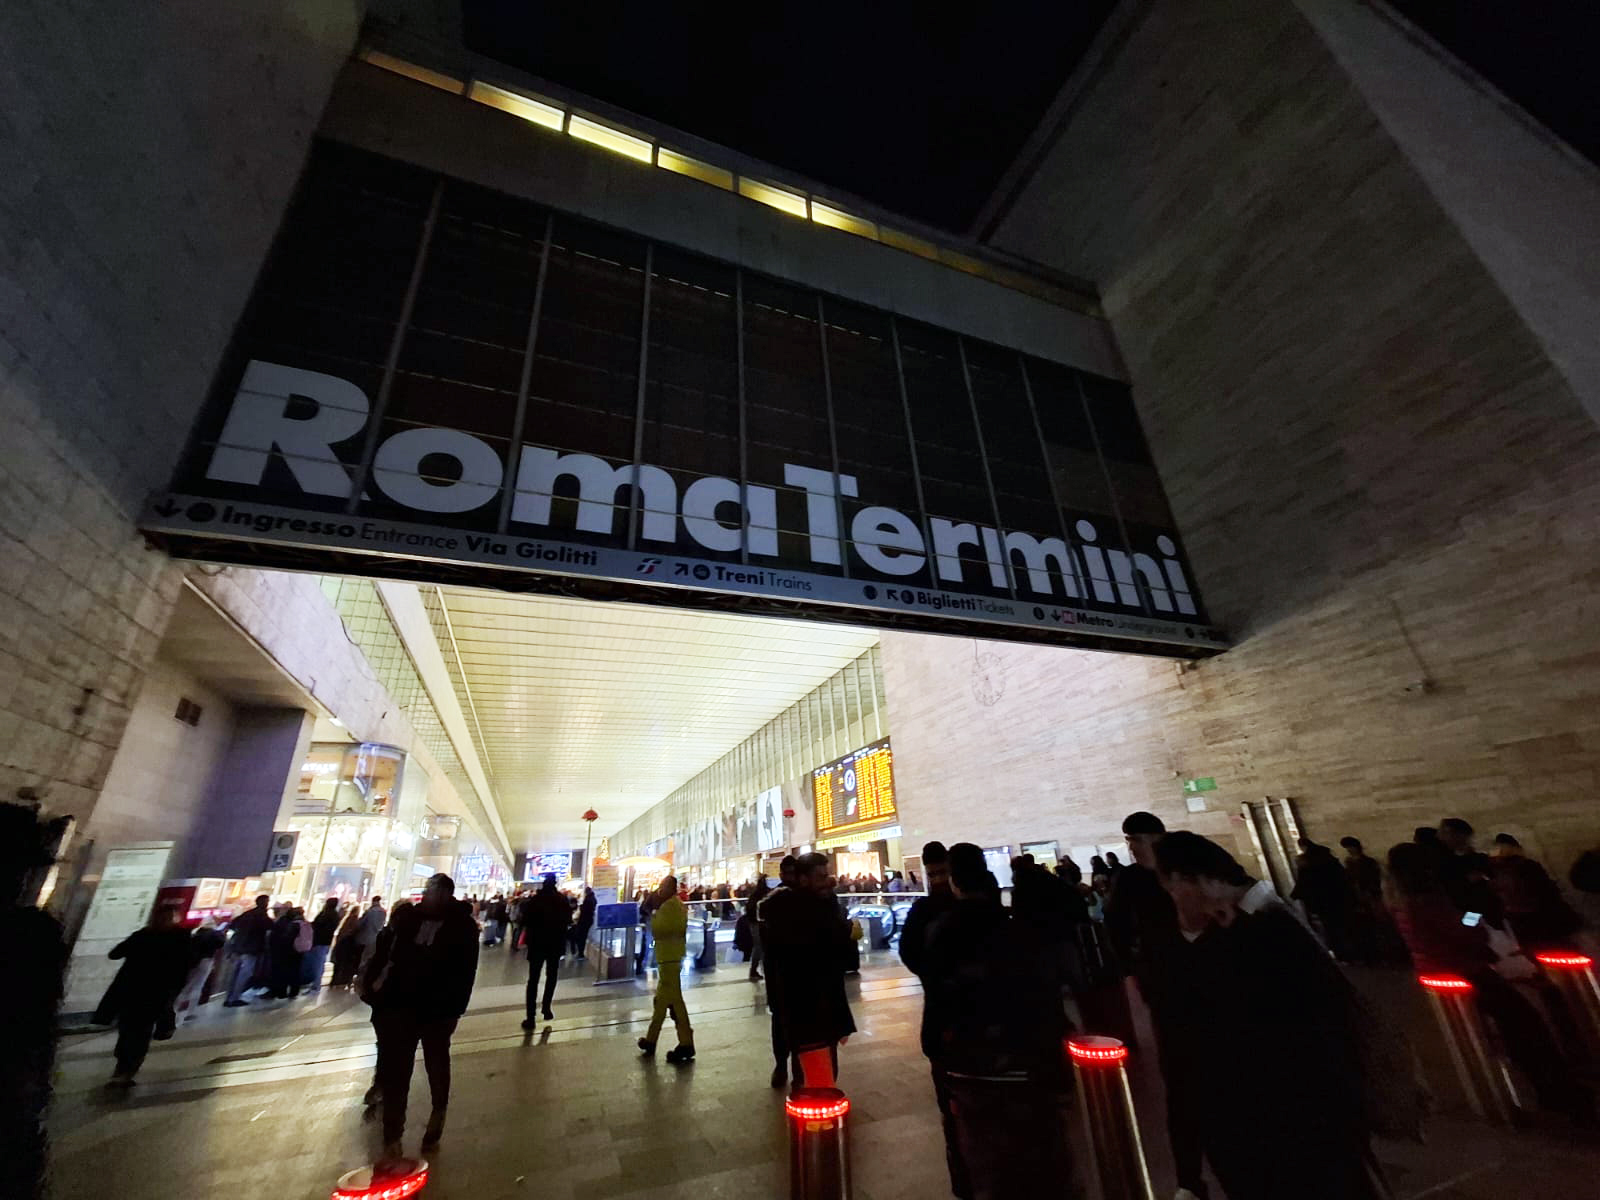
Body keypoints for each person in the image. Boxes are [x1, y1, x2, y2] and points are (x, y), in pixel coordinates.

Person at [1152, 832, 1387, 1199]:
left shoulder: (1260, 930)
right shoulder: (1175, 946)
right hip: (1250, 1118)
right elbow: (1179, 1055)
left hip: (1293, 1112)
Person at [1388, 841, 1591, 1123]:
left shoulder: (1398, 896)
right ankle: (1556, 1090)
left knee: (1510, 1027)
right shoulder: (1427, 897)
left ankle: (1527, 1092)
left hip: (1437, 968)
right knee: (1526, 1024)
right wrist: (1475, 916)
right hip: (1466, 968)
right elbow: (1461, 929)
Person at [924, 842, 1073, 1199]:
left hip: (967, 1060)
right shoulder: (1014, 927)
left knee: (983, 1159)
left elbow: (937, 992)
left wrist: (935, 1046)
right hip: (1023, 1058)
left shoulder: (942, 930)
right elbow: (1042, 991)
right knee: (1039, 1157)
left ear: (955, 882)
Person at [1102, 811, 1206, 1199]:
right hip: (1165, 981)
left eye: (1137, 841)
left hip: (1197, 975)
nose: (1131, 848)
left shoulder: (1178, 869)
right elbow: (1115, 924)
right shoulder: (1130, 879)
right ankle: (1189, 1179)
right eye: (1128, 842)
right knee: (1179, 1079)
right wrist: (1131, 965)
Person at [361, 875, 479, 1160]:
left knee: (435, 1061)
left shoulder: (461, 927)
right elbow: (392, 956)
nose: (426, 895)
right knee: (398, 1070)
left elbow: (465, 973)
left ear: (444, 893)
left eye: (430, 890)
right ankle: (393, 1135)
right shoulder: (410, 920)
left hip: (439, 1009)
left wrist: (455, 1007)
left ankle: (438, 1111)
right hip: (402, 1006)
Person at [898, 841, 968, 1199]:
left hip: (951, 1020)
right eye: (933, 874)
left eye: (942, 873)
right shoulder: (926, 910)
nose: (937, 879)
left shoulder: (941, 910)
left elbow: (910, 952)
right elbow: (909, 953)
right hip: (944, 1018)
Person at [761, 852, 855, 1090]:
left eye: (827, 875)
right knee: (815, 1074)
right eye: (821, 877)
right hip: (804, 1004)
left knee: (823, 1069)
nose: (828, 882)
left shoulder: (826, 904)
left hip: (826, 1002)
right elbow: (811, 947)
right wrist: (845, 931)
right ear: (803, 879)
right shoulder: (791, 910)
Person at [98, 906, 191, 1086]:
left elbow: (115, 954)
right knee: (140, 1031)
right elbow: (184, 967)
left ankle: (123, 1067)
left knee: (129, 1030)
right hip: (155, 992)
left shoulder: (143, 935)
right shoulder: (179, 938)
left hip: (133, 990)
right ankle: (127, 1069)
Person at [637, 875, 695, 1063]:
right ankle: (652, 1039)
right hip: (669, 957)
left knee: (674, 1001)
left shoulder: (670, 906)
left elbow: (659, 928)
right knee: (662, 1002)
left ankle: (685, 1042)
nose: (660, 890)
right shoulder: (674, 905)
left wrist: (654, 914)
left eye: (662, 886)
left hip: (669, 957)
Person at [1489, 834, 1582, 952]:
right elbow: (1547, 890)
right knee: (1561, 947)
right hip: (1544, 916)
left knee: (1535, 949)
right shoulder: (1529, 866)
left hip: (1521, 919)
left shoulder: (1496, 871)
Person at [757, 854, 800, 1087]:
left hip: (784, 971)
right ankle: (784, 1066)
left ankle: (790, 1068)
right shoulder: (777, 899)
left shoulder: (775, 900)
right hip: (781, 971)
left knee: (785, 1021)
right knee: (783, 1021)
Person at [1291, 838, 1355, 959]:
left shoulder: (1306, 861)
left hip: (1321, 901)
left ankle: (1341, 953)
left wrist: (1295, 894)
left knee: (1329, 927)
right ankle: (1352, 952)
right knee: (1343, 925)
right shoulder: (1327, 856)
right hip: (1337, 897)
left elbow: (1304, 881)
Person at [520, 874, 570, 1028]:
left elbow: (526, 920)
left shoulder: (535, 900)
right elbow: (568, 920)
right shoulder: (562, 900)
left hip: (537, 945)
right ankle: (546, 1007)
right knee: (552, 975)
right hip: (554, 944)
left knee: (533, 979)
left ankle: (530, 1017)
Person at [222, 895, 272, 1006]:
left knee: (235, 973)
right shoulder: (261, 915)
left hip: (239, 947)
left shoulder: (247, 914)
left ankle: (228, 998)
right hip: (251, 949)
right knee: (245, 973)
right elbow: (270, 928)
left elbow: (233, 924)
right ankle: (234, 998)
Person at [176, 916, 225, 1018]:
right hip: (206, 961)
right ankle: (190, 1012)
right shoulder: (214, 933)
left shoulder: (195, 932)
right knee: (198, 986)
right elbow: (220, 944)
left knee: (186, 986)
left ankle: (175, 1009)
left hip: (192, 962)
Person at [267, 905, 306, 999]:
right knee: (295, 971)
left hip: (285, 951)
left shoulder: (287, 922)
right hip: (298, 952)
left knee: (281, 971)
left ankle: (280, 992)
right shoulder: (303, 923)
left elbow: (281, 937)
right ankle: (293, 992)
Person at [302, 897, 340, 993]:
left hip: (320, 941)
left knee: (317, 963)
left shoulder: (327, 915)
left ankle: (315, 984)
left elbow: (318, 926)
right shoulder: (333, 915)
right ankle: (315, 983)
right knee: (318, 963)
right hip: (323, 941)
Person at [329, 902, 366, 988]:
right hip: (348, 943)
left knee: (338, 963)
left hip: (342, 942)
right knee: (346, 962)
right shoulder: (355, 920)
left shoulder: (347, 918)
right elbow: (354, 930)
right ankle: (342, 980)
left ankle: (334, 981)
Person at [744, 874, 770, 981]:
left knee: (759, 947)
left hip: (754, 922)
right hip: (758, 922)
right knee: (759, 947)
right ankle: (754, 970)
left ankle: (756, 970)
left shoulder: (755, 894)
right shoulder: (764, 894)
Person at [355, 894, 387, 972]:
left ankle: (358, 974)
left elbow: (361, 924)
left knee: (361, 958)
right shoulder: (383, 912)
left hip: (364, 938)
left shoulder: (369, 912)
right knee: (368, 958)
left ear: (373, 901)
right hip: (375, 939)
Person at [570, 886, 596, 958]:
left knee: (580, 937)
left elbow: (585, 911)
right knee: (582, 937)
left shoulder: (588, 899)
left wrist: (581, 908)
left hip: (584, 921)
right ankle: (580, 953)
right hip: (588, 921)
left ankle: (580, 953)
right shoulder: (593, 898)